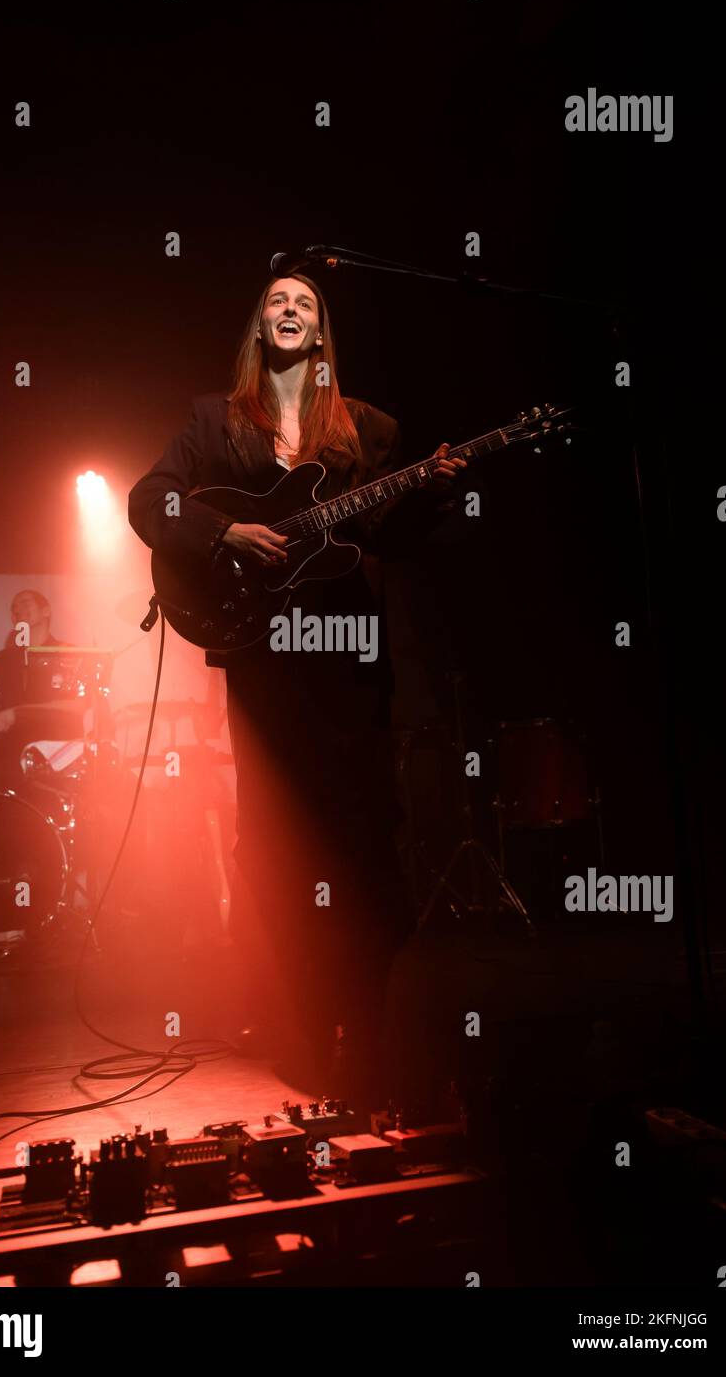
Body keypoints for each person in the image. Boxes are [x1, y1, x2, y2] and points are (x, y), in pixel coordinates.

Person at [128, 272, 466, 1102]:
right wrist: (224, 530)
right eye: (277, 301)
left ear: (321, 334)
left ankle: (377, 1035)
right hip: (266, 661)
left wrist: (437, 494)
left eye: (306, 304)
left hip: (348, 660)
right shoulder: (216, 420)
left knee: (367, 840)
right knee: (274, 845)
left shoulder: (367, 427)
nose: (290, 311)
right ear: (260, 325)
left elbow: (391, 536)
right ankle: (306, 1030)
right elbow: (149, 501)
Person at [0, 589, 86, 788]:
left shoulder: (67, 654)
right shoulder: (2, 659)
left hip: (54, 762)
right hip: (8, 761)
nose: (18, 609)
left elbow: (78, 706)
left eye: (25, 602)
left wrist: (19, 714)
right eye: (14, 607)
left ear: (46, 611)